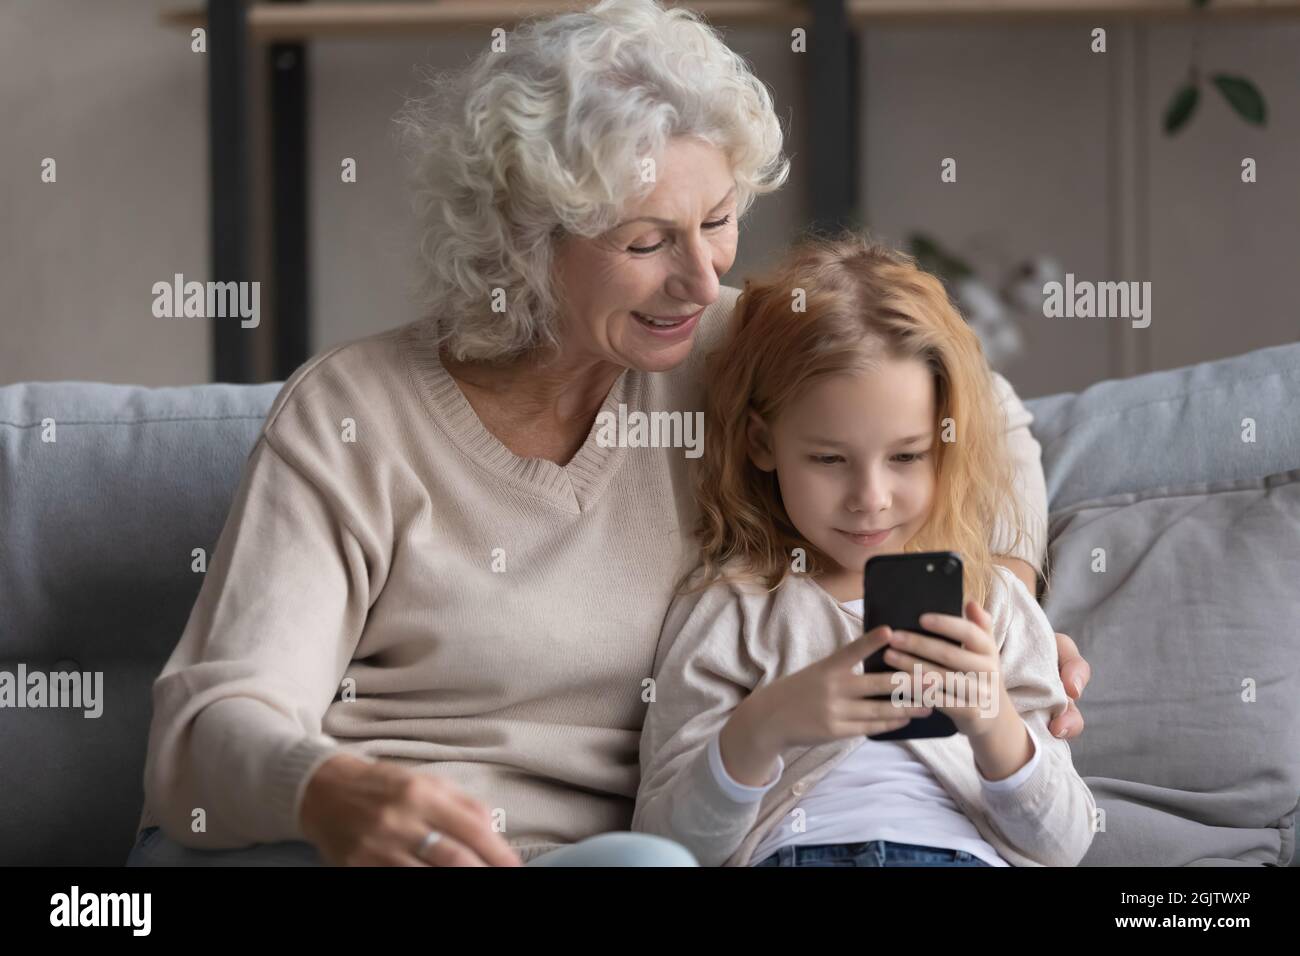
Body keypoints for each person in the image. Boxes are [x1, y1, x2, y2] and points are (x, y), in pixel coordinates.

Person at [127, 0, 1087, 868]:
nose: (704, 280)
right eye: (644, 243)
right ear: (523, 242)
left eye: (717, 221)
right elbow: (209, 729)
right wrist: (328, 791)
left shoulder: (724, 353)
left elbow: (976, 406)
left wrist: (992, 585)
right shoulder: (356, 415)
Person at [633, 234, 1096, 867]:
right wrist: (761, 728)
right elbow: (665, 845)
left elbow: (1066, 843)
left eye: (906, 456)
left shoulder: (993, 605)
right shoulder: (735, 609)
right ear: (763, 445)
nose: (870, 497)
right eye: (828, 459)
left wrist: (994, 723)